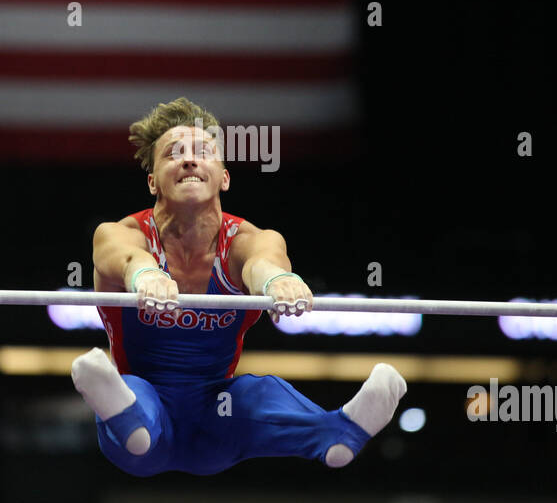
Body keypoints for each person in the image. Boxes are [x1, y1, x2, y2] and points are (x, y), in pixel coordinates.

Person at [71, 97, 407, 476]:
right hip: (144, 406)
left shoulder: (247, 240)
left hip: (216, 421)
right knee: (137, 394)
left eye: (202, 152)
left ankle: (338, 433)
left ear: (224, 177)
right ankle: (130, 420)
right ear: (153, 181)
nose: (189, 160)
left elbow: (262, 263)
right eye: (172, 154)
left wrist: (277, 281)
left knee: (253, 394)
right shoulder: (121, 233)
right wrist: (145, 276)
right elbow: (126, 258)